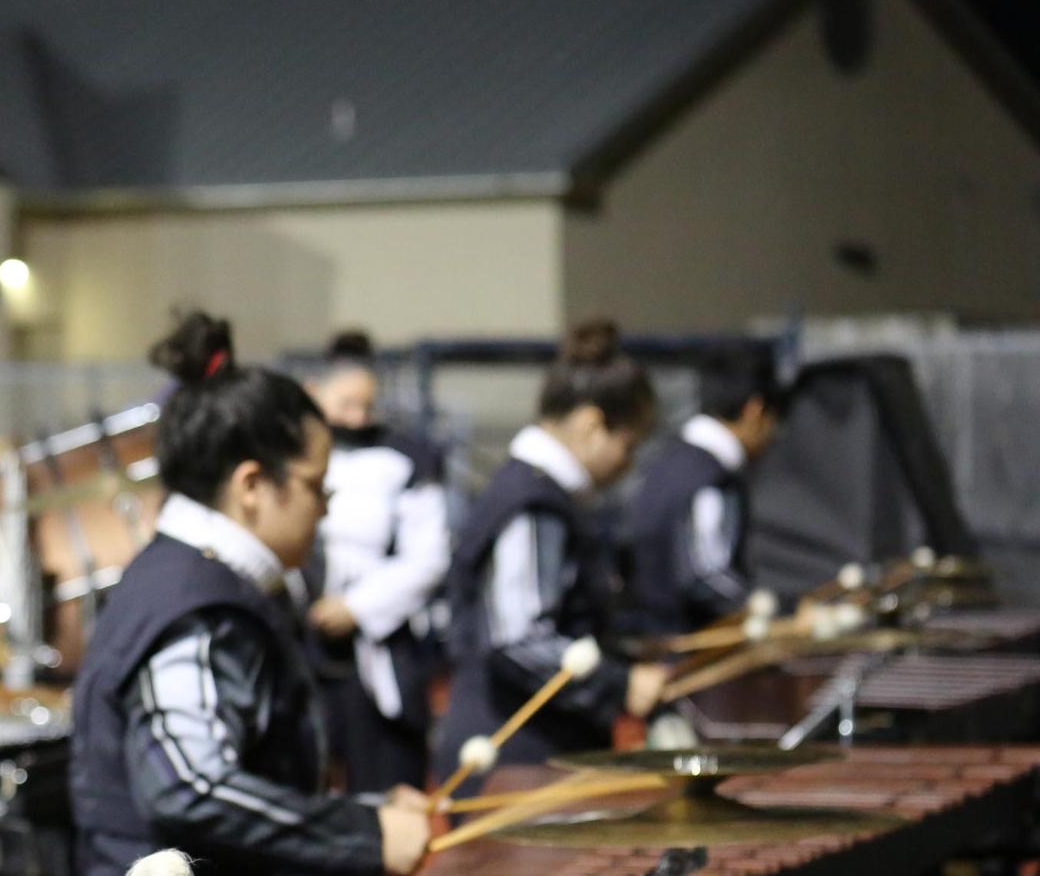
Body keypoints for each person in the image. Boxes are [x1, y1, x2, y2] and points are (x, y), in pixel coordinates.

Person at [43, 312, 431, 876]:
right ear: (253, 484)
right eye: (317, 487)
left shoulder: (200, 582)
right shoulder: (196, 603)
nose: (325, 511)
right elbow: (188, 787)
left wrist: (372, 810)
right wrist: (361, 835)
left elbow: (223, 771)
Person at [437, 320, 672, 785]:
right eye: (628, 446)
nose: (628, 465)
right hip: (514, 758)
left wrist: (626, 655)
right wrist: (620, 684)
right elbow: (521, 639)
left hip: (533, 754)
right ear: (591, 425)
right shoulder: (534, 505)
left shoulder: (542, 496)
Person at [301, 331, 447, 795]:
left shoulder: (406, 459)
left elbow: (428, 559)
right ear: (314, 393)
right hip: (304, 649)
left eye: (366, 406)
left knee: (385, 783)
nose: (358, 418)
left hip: (377, 646)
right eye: (346, 404)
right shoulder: (288, 452)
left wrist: (357, 607)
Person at [622, 344, 785, 635]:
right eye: (774, 422)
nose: (772, 437)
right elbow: (707, 574)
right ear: (755, 411)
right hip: (683, 646)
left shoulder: (666, 461)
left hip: (654, 640)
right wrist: (774, 618)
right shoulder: (710, 477)